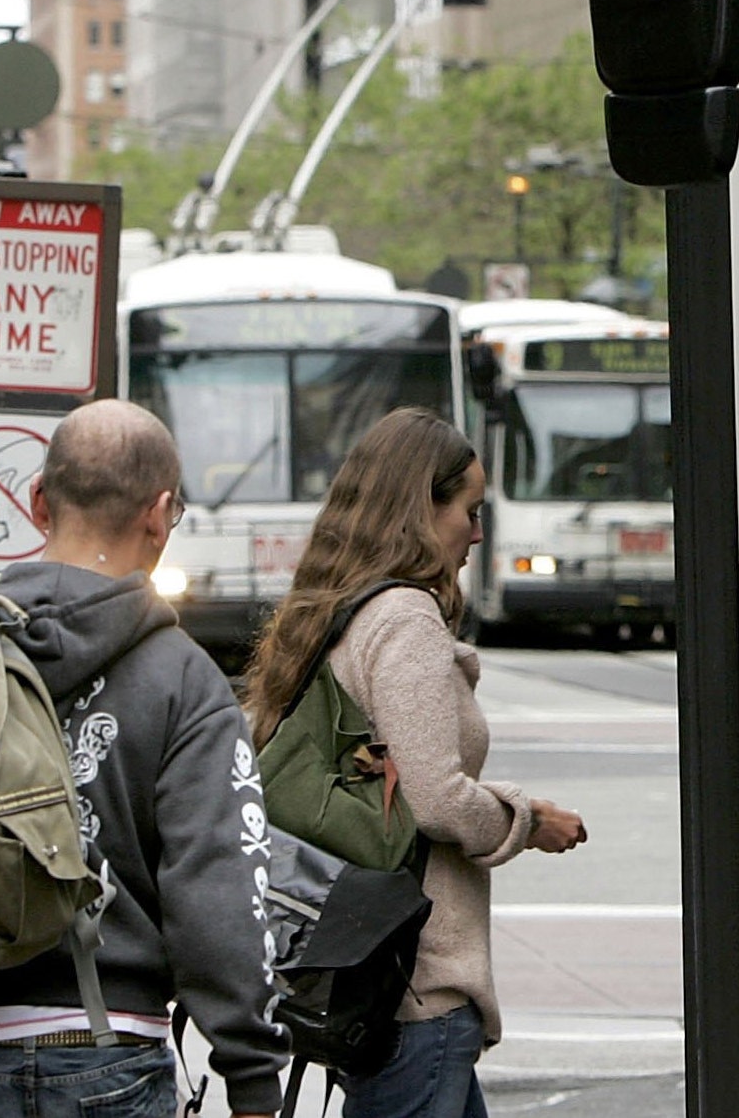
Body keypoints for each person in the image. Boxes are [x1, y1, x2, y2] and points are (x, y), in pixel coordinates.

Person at [0, 400, 286, 1118]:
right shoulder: (182, 677)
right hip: (109, 1047)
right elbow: (219, 887)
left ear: (36, 502)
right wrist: (251, 1074)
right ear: (158, 514)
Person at [240, 408, 587, 1118]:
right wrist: (526, 818)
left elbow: (387, 780)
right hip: (418, 986)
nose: (478, 531)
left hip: (387, 979)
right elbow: (434, 798)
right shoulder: (403, 618)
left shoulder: (339, 609)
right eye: (469, 508)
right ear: (419, 508)